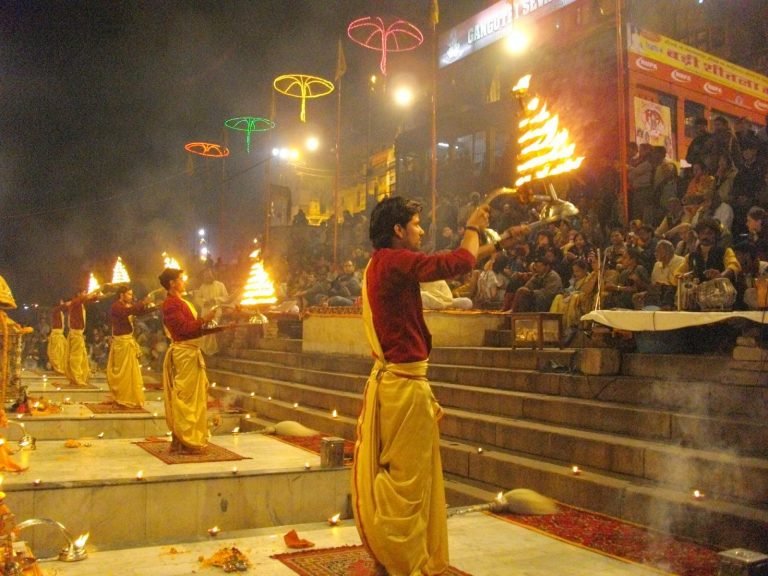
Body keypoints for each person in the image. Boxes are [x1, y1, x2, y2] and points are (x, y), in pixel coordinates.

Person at [352, 196, 489, 576]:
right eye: (416, 223)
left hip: (399, 384)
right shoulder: (395, 261)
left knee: (402, 475)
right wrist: (472, 229)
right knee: (408, 482)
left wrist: (497, 239)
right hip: (405, 388)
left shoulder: (382, 263)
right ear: (398, 230)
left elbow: (454, 261)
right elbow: (456, 262)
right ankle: (402, 559)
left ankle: (389, 556)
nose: (422, 229)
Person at [159, 268, 220, 455]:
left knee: (194, 398)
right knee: (185, 398)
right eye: (180, 279)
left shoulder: (180, 302)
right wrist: (205, 319)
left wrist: (217, 328)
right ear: (172, 283)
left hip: (191, 352)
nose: (184, 282)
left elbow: (193, 330)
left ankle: (184, 439)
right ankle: (183, 439)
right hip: (184, 354)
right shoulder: (171, 304)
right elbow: (184, 329)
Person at [106, 286, 153, 408]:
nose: (131, 297)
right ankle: (122, 397)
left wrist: (155, 306)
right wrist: (142, 302)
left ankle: (131, 397)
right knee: (123, 373)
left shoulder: (127, 306)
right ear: (121, 295)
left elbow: (138, 311)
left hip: (128, 342)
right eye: (129, 294)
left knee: (131, 373)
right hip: (121, 343)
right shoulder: (116, 306)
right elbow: (126, 312)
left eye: (131, 294)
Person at [192, 268, 229, 356]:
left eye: (209, 275)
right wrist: (204, 302)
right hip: (205, 312)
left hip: (216, 311)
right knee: (204, 330)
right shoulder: (202, 287)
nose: (207, 277)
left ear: (212, 275)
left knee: (212, 329)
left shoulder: (220, 285)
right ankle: (205, 350)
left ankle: (213, 351)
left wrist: (215, 300)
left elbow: (226, 297)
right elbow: (198, 298)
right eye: (205, 276)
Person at [66, 288, 99, 386]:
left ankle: (80, 376)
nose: (86, 294)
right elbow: (85, 298)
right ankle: (76, 378)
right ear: (79, 293)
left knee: (81, 356)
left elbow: (90, 299)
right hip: (76, 334)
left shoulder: (79, 303)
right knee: (76, 357)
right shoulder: (76, 302)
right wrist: (93, 292)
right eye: (84, 292)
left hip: (79, 334)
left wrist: (97, 294)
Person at [47, 299, 68, 375]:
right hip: (56, 334)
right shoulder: (56, 310)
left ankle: (62, 367)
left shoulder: (60, 312)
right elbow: (63, 306)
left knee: (63, 351)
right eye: (61, 302)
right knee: (57, 353)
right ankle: (58, 368)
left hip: (60, 334)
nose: (63, 303)